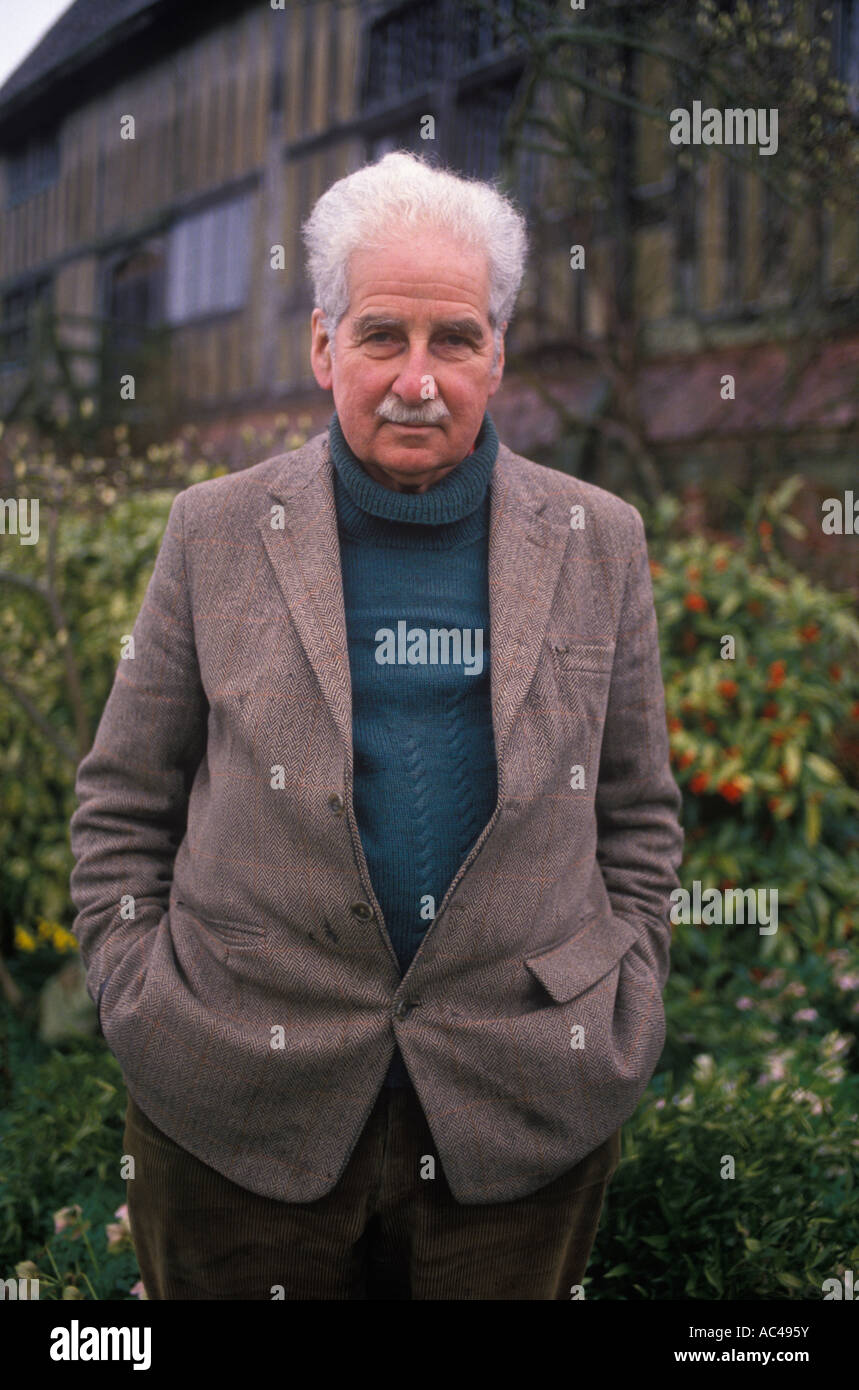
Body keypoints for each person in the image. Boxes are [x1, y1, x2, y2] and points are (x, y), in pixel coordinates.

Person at [69, 150, 684, 1300]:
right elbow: (122, 800)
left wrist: (626, 993)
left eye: (454, 339)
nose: (418, 378)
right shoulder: (214, 531)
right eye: (380, 336)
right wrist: (138, 995)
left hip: (519, 1117)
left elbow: (637, 811)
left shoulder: (601, 539)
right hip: (233, 1108)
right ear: (322, 346)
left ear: (496, 353)